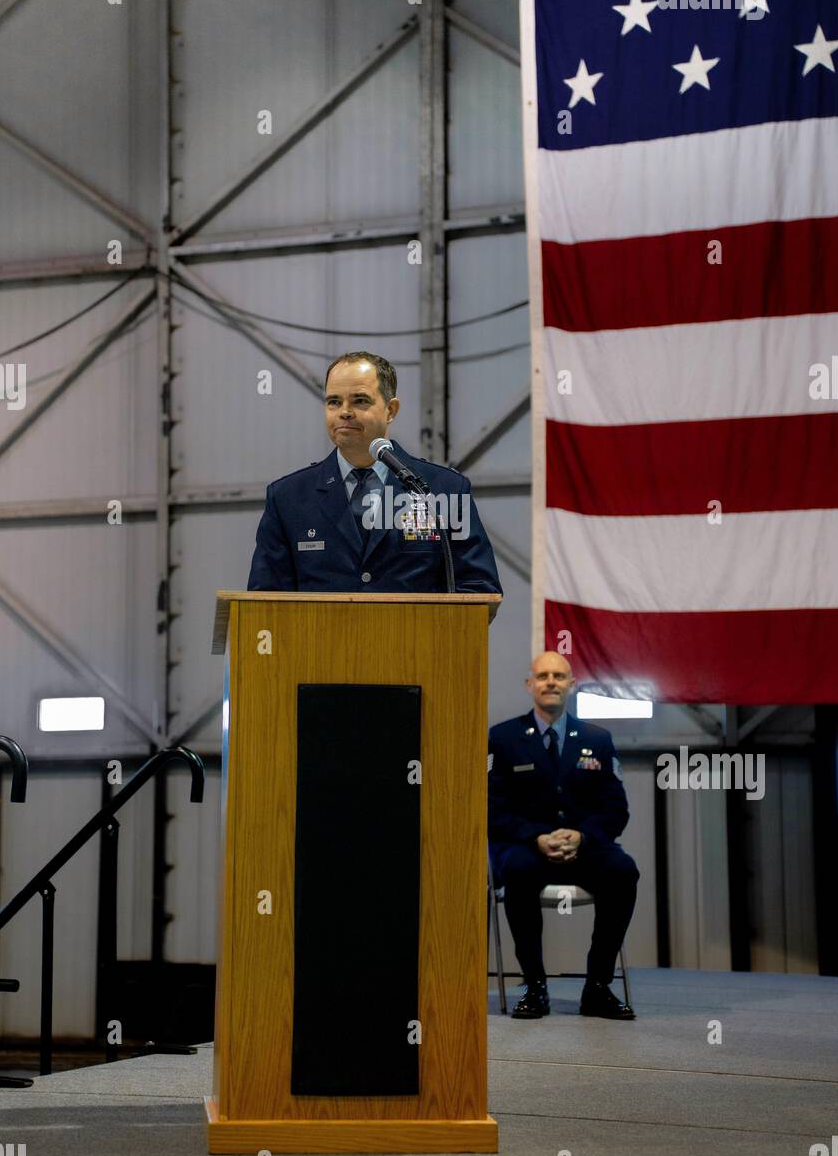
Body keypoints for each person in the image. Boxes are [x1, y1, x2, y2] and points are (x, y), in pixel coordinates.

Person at [247, 351, 502, 603]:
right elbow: (265, 601)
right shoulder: (288, 498)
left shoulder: (444, 489)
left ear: (390, 410)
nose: (344, 412)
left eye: (359, 401)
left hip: (415, 644)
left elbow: (479, 590)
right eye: (334, 401)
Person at [489, 651, 638, 1020]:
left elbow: (616, 810)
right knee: (518, 872)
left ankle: (598, 987)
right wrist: (537, 837)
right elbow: (491, 809)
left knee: (623, 871)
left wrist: (581, 836)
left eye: (559, 675)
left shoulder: (597, 739)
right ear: (530, 685)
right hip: (529, 850)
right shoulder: (503, 738)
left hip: (583, 850)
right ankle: (534, 987)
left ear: (572, 685)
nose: (550, 682)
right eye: (542, 676)